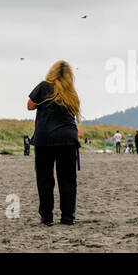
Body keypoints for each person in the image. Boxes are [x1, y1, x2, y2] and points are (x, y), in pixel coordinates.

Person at [27, 60, 81, 225]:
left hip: (45, 138)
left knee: (45, 179)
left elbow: (30, 105)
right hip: (67, 139)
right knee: (68, 180)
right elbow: (74, 112)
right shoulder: (70, 91)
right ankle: (67, 217)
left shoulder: (44, 86)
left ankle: (47, 216)